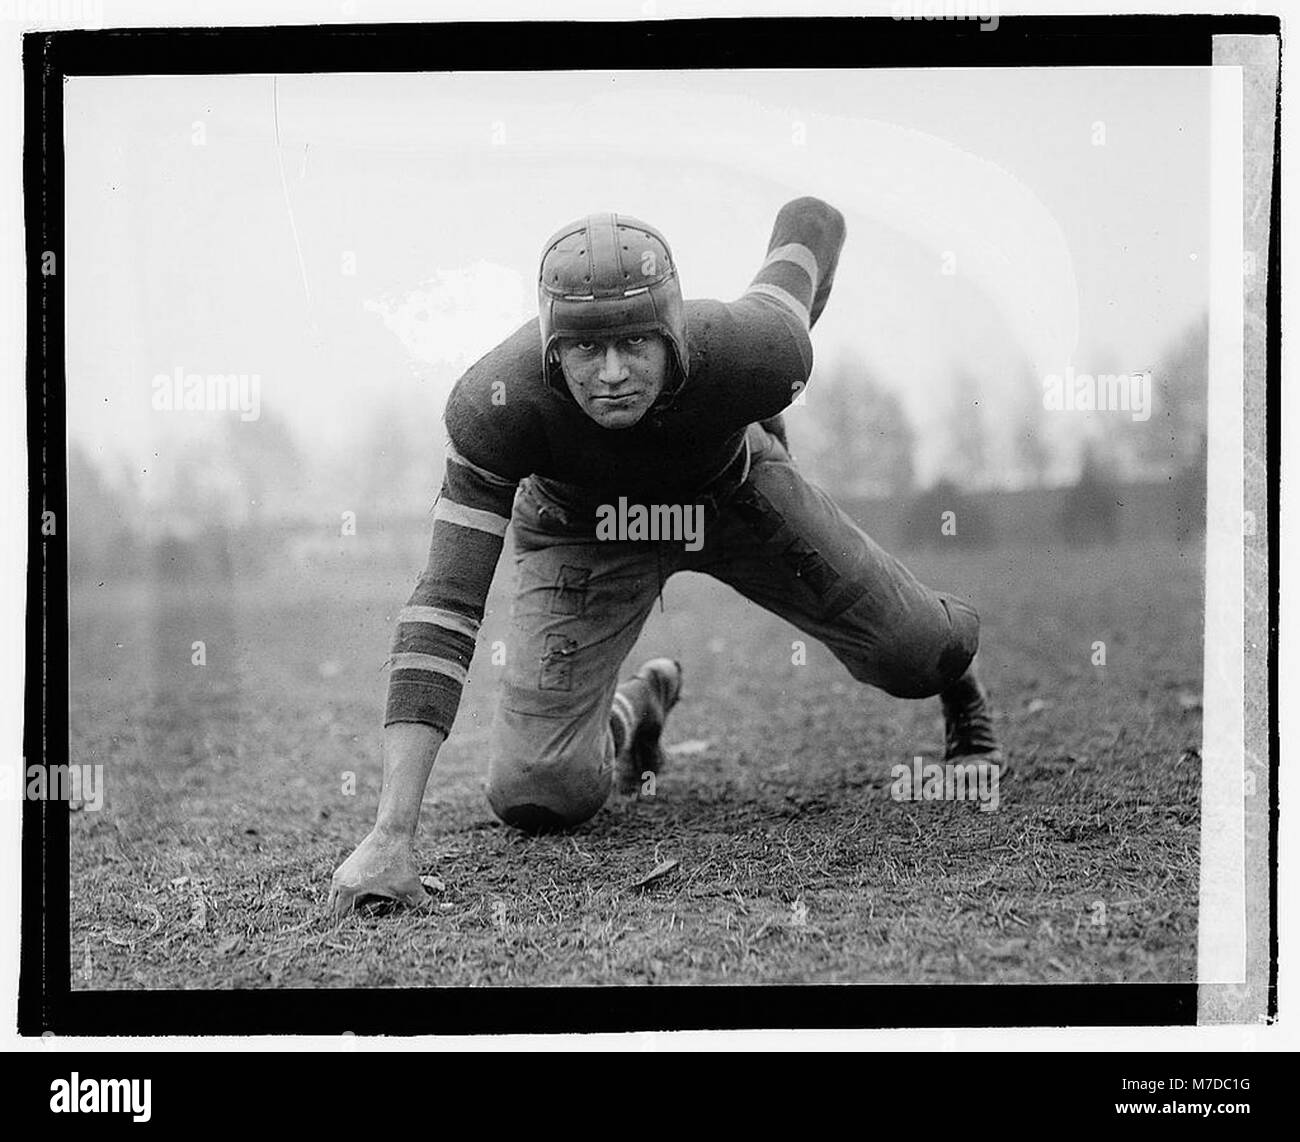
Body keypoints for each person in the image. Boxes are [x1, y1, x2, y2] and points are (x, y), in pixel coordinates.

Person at [328, 198, 1001, 915]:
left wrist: (768, 421)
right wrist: (391, 833)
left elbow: (812, 227)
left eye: (637, 345)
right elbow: (446, 603)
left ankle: (959, 680)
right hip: (581, 531)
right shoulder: (496, 405)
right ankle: (640, 702)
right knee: (537, 793)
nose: (613, 372)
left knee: (916, 652)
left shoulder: (757, 348)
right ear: (552, 350)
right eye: (586, 349)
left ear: (676, 335)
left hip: (731, 497)